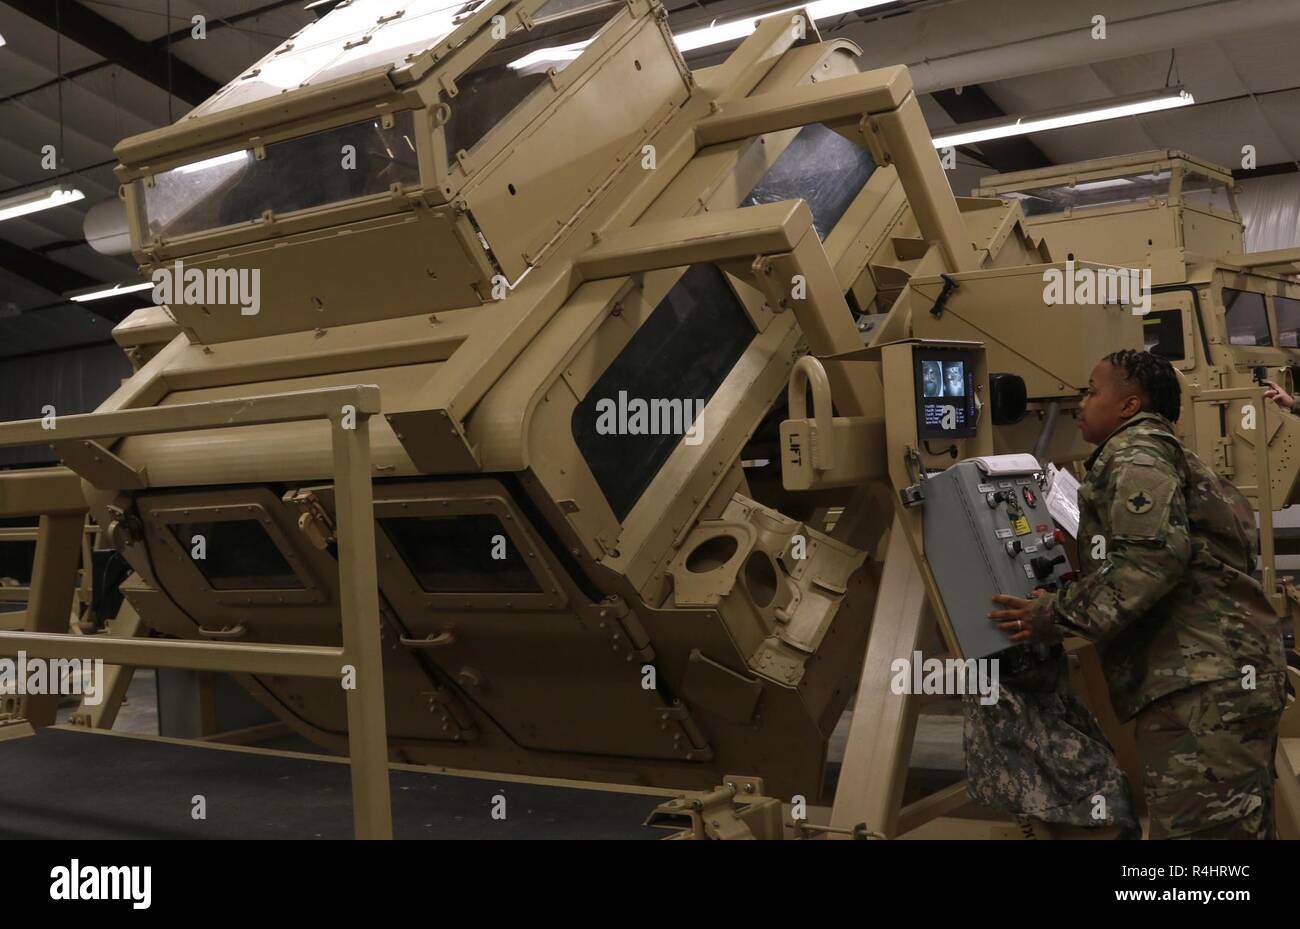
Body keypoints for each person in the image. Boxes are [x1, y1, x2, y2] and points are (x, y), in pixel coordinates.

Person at [988, 349, 1287, 839]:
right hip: (1225, 678)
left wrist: (1051, 614)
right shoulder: (1166, 454)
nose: (1080, 403)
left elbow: (1148, 564)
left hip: (1199, 688)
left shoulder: (1136, 457)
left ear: (1129, 406)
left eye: (1091, 391)